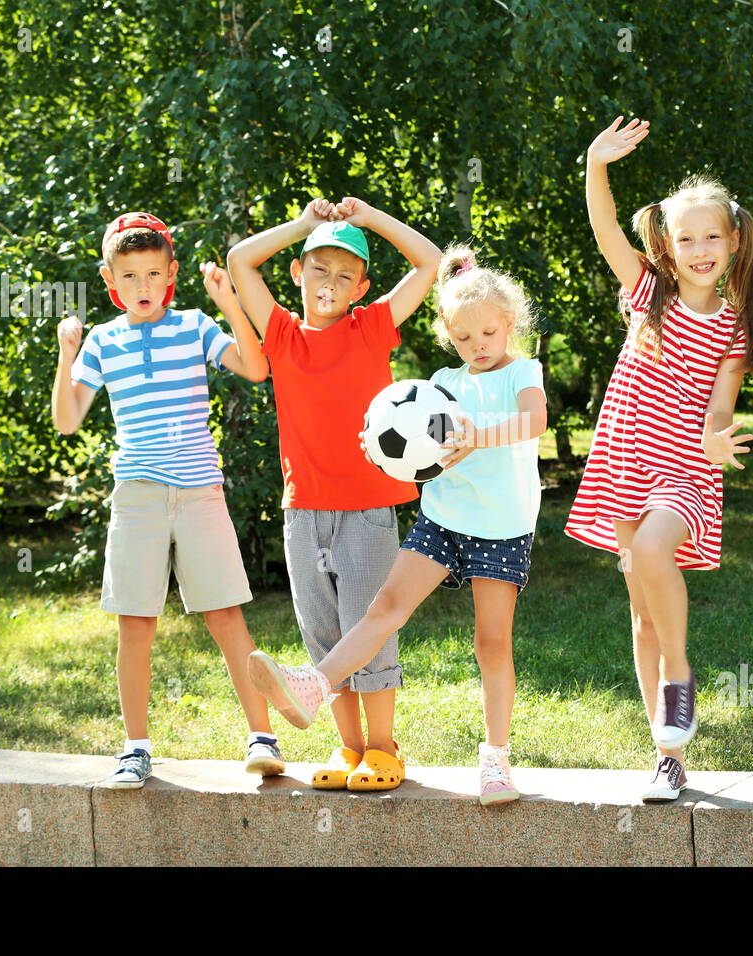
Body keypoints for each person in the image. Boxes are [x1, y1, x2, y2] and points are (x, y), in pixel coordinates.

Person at [247, 245, 547, 805]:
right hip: (443, 517)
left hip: (502, 528)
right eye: (462, 339)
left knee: (491, 643)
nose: (476, 347)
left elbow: (534, 419)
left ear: (508, 323)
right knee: (383, 608)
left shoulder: (523, 373)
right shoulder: (441, 380)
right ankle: (313, 685)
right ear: (448, 337)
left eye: (486, 334)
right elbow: (409, 432)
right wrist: (380, 446)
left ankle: (496, 763)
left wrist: (477, 435)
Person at [565, 118, 753, 802]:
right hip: (623, 461)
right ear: (668, 247)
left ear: (734, 240)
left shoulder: (736, 323)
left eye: (713, 236)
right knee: (641, 613)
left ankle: (679, 678)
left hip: (683, 468)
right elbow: (604, 232)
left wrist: (715, 437)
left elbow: (721, 402)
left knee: (655, 554)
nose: (701, 249)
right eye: (686, 239)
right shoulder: (648, 293)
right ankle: (668, 756)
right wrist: (597, 165)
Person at [51, 211, 279, 789]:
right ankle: (135, 747)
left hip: (199, 490)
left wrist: (229, 302)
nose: (142, 287)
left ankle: (261, 737)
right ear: (111, 281)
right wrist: (66, 352)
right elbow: (68, 420)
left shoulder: (196, 326)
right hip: (139, 495)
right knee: (136, 623)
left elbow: (256, 368)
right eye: (129, 277)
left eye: (153, 274)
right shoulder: (102, 341)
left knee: (226, 615)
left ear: (171, 274)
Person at [228, 197, 440, 792]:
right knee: (323, 636)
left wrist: (370, 219)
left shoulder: (371, 326)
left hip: (368, 512)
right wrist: (303, 225)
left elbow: (428, 262)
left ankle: (383, 749)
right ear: (297, 274)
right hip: (302, 513)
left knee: (367, 631)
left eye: (345, 274)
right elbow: (241, 260)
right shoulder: (281, 334)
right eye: (318, 268)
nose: (330, 282)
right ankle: (349, 752)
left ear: (362, 287)